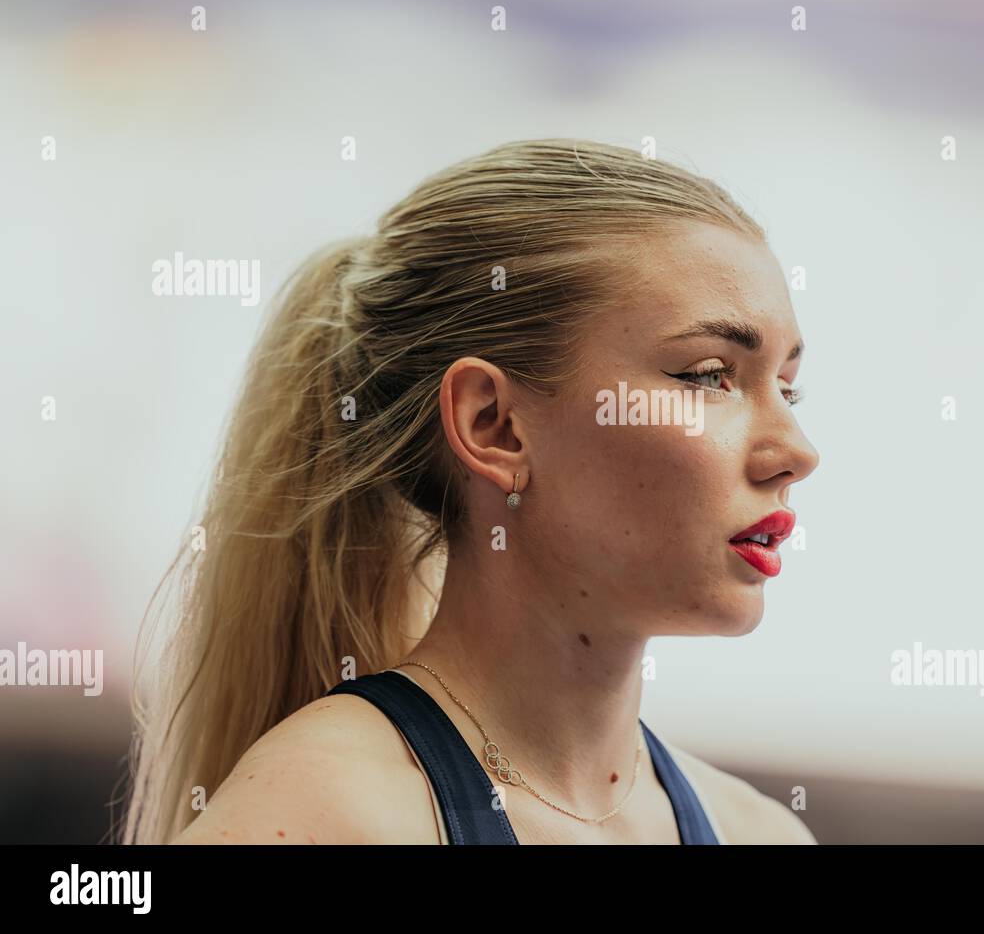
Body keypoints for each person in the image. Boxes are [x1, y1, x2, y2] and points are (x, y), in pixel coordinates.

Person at [122, 138, 819, 844]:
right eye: (708, 376)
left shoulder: (760, 834)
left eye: (789, 389)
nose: (795, 452)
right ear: (494, 425)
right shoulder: (313, 819)